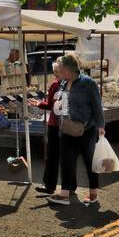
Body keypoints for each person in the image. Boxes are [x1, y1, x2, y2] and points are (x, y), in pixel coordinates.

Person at [48, 53, 105, 207]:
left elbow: (97, 106)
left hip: (86, 129)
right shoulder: (63, 83)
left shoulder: (88, 83)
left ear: (69, 68)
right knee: (67, 161)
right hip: (66, 127)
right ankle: (64, 194)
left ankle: (93, 193)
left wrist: (100, 126)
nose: (59, 72)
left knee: (89, 162)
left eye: (61, 69)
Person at [27, 59, 68, 196]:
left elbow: (49, 105)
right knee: (68, 156)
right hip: (69, 125)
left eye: (57, 72)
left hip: (55, 124)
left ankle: (50, 186)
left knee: (52, 156)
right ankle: (69, 187)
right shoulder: (72, 84)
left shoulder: (55, 85)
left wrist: (38, 103)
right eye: (55, 72)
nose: (55, 74)